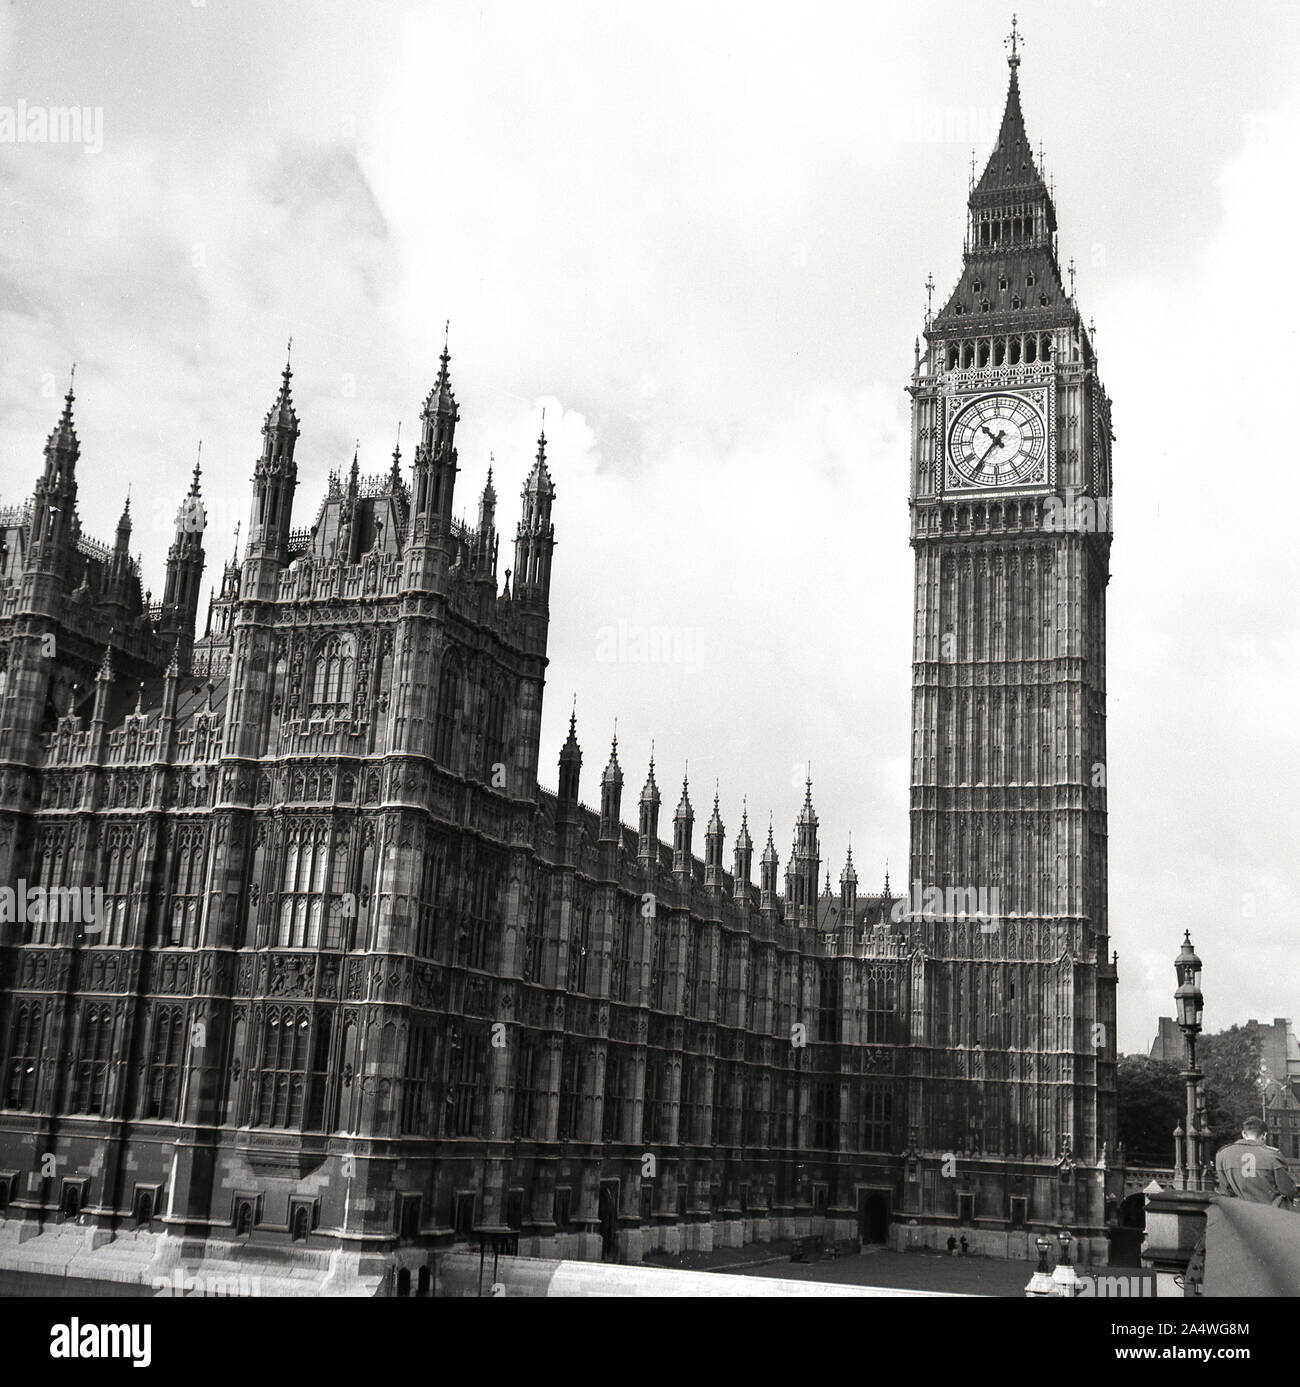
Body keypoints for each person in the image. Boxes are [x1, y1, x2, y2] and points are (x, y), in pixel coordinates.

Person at [1214, 1118, 1298, 1206]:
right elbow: (1289, 1190)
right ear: (1264, 1135)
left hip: (1240, 1212)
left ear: (1243, 1133)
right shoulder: (1273, 1155)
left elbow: (1224, 1191)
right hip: (1271, 1213)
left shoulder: (1223, 1154)